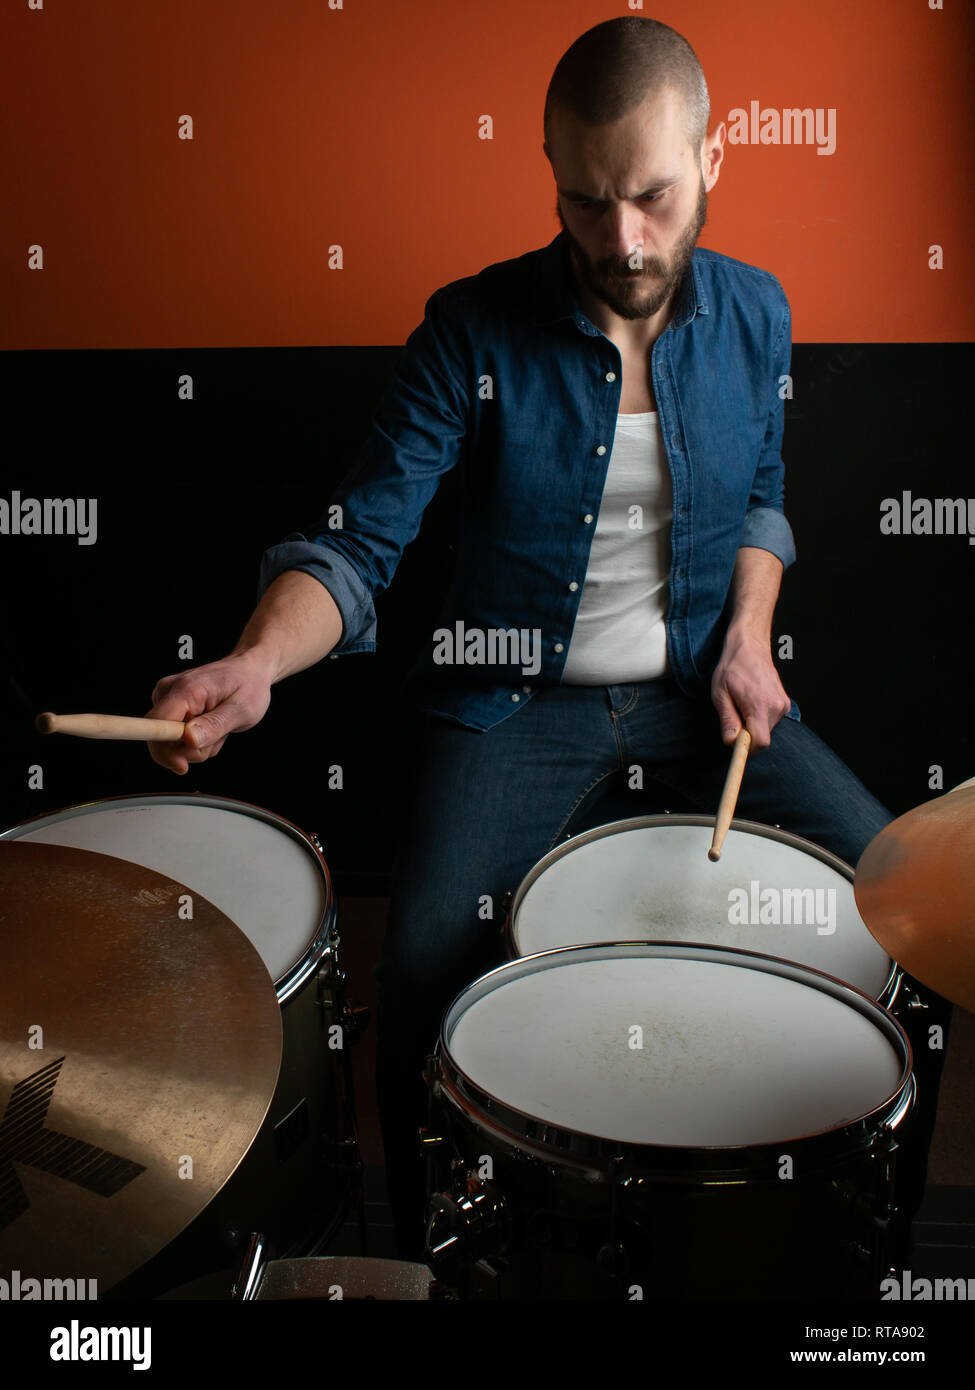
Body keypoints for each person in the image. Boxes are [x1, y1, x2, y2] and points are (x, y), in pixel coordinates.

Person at [147, 17, 942, 1278]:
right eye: (585, 200)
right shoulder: (470, 330)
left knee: (910, 899)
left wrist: (746, 633)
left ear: (716, 158)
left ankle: (856, 1248)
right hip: (515, 703)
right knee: (417, 983)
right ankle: (421, 1262)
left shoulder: (757, 315)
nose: (621, 239)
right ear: (548, 171)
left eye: (652, 196)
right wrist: (254, 664)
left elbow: (765, 499)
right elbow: (358, 545)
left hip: (696, 692)